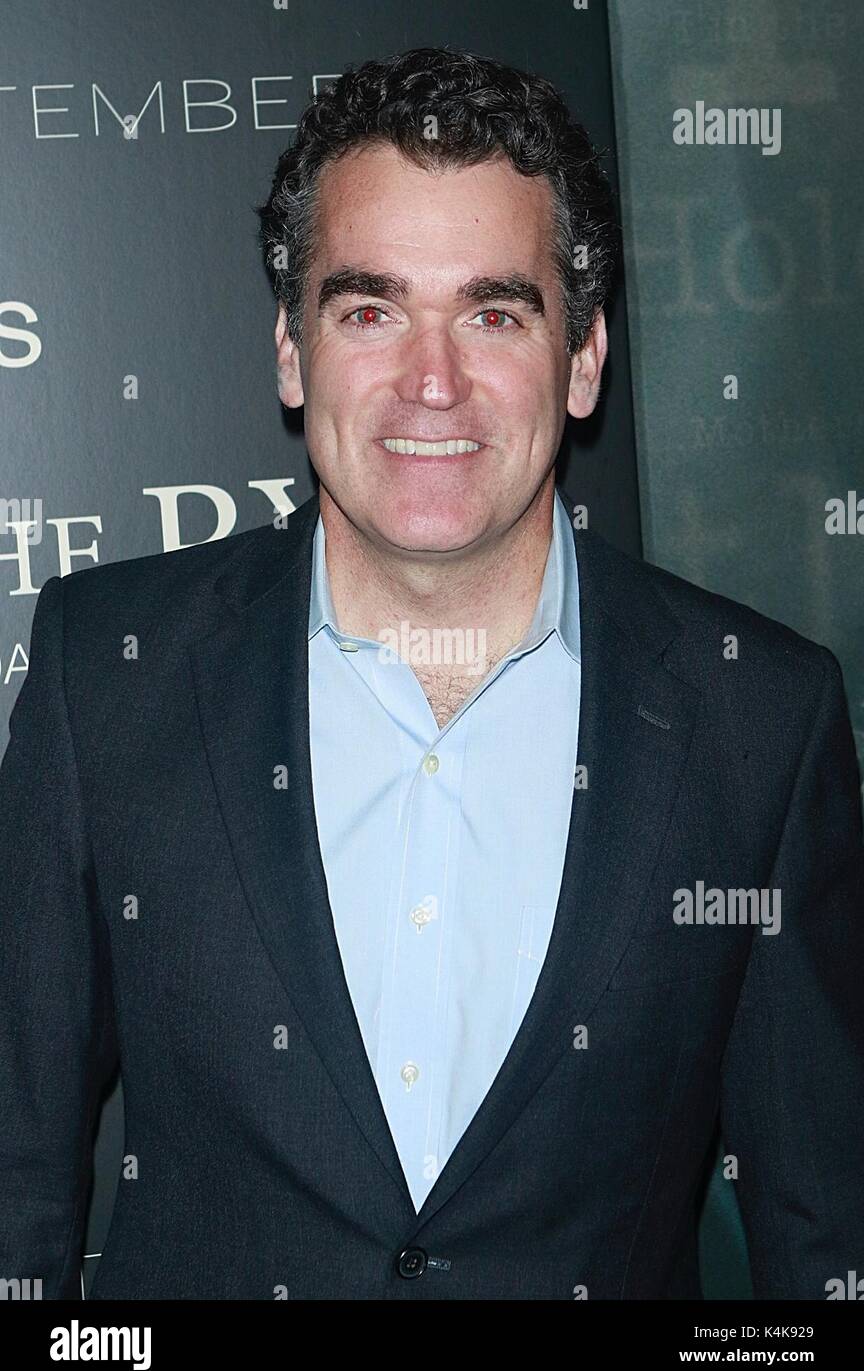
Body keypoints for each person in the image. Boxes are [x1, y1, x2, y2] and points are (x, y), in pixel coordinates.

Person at [1, 46, 862, 1301]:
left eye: (495, 312)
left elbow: (823, 1226)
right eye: (370, 310)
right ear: (293, 355)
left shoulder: (759, 720)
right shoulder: (107, 677)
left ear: (584, 361)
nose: (433, 381)